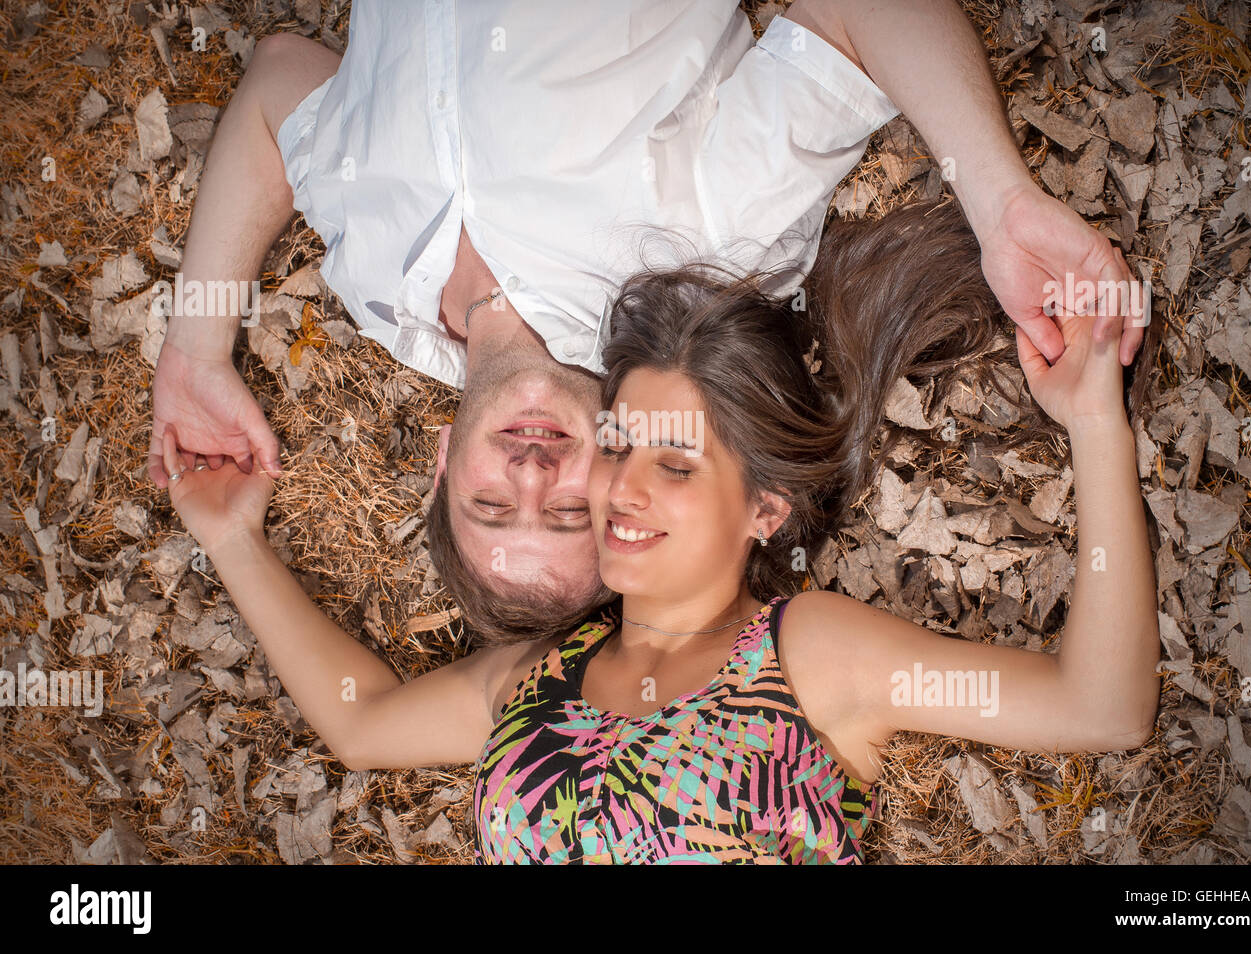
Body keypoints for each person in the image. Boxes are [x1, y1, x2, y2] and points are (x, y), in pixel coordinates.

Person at [162, 199, 1159, 863]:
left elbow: (1100, 709)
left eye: (675, 465)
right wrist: (231, 538)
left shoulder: (808, 655)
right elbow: (362, 722)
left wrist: (1093, 424)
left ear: (762, 511)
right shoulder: (538, 677)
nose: (623, 490)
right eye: (623, 446)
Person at [149, 0, 1147, 644]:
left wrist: (195, 341)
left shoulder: (378, 293)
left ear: (447, 460)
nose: (535, 479)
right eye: (572, 511)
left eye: (494, 506)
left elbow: (284, 80)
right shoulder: (693, 256)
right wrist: (1002, 203)